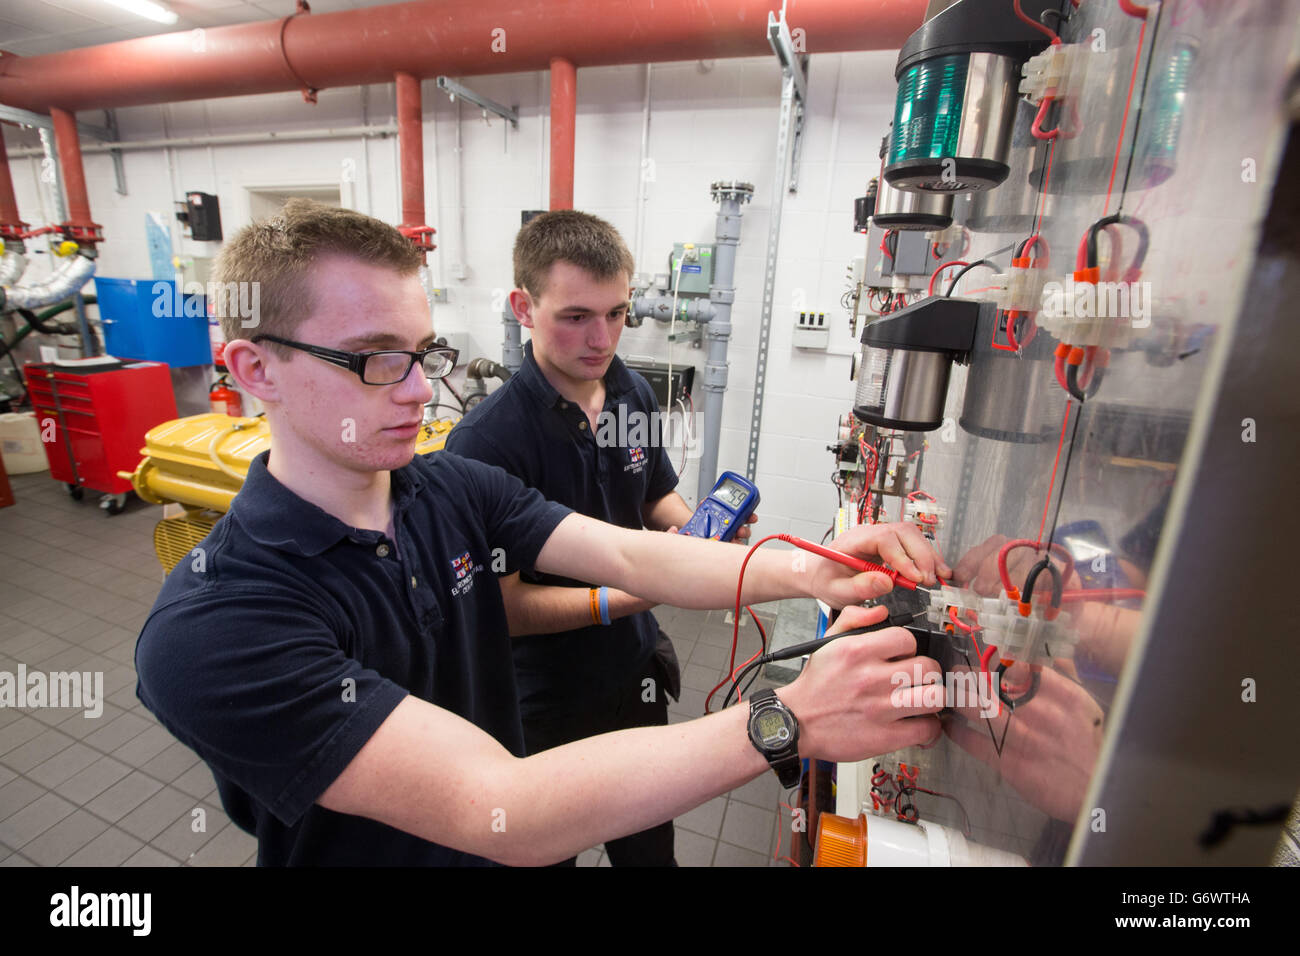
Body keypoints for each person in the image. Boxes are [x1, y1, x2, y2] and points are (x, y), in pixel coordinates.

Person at [134, 199, 950, 866]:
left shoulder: (446, 487)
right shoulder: (214, 627)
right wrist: (790, 717)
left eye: (425, 352)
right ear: (253, 371)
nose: (421, 391)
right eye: (375, 359)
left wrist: (814, 568)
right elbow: (502, 803)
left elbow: (631, 549)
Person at [445, 210, 733, 866]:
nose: (600, 338)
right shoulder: (486, 443)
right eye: (575, 316)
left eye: (617, 313)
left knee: (649, 850)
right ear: (524, 306)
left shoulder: (628, 391)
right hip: (545, 701)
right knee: (548, 855)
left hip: (632, 674)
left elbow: (652, 492)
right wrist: (627, 593)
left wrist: (693, 532)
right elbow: (508, 610)